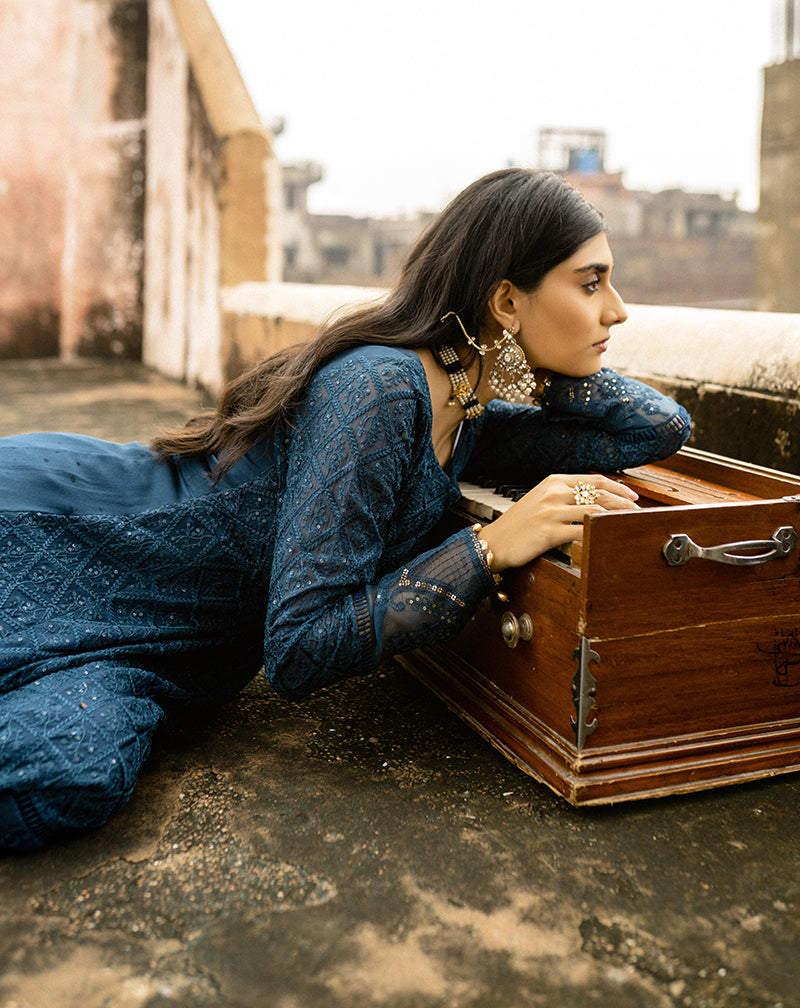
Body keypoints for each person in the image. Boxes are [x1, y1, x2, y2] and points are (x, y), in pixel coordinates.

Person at [0, 168, 691, 851]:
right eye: (592, 282)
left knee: (72, 776)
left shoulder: (465, 410)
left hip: (158, 650)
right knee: (69, 779)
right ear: (506, 302)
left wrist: (525, 366)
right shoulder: (381, 389)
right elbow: (300, 647)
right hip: (62, 535)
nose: (618, 309)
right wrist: (487, 549)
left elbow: (653, 429)